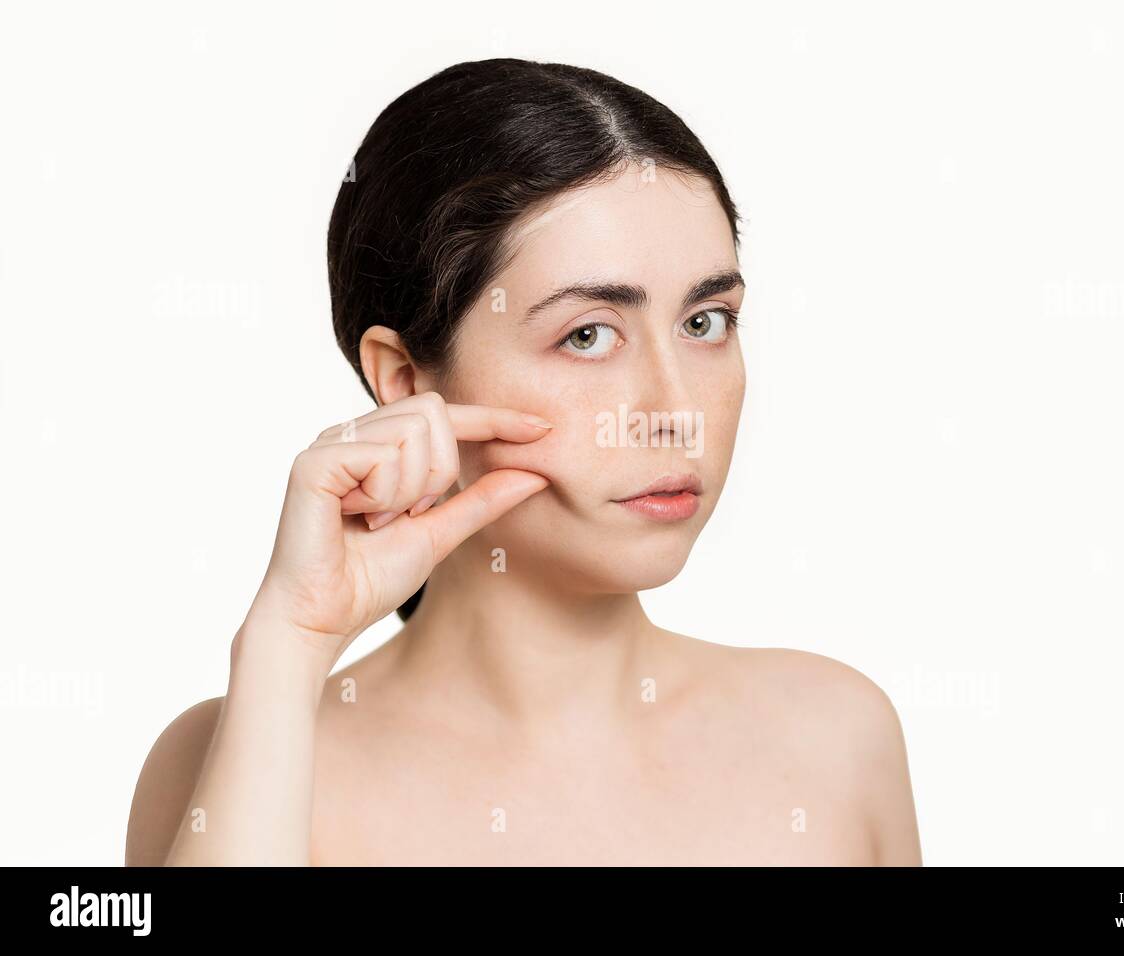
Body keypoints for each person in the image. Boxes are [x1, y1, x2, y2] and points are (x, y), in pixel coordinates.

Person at [125, 57, 922, 866]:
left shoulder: (836, 739)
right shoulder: (238, 756)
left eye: (707, 322)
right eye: (587, 335)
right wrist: (289, 642)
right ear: (405, 381)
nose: (674, 412)